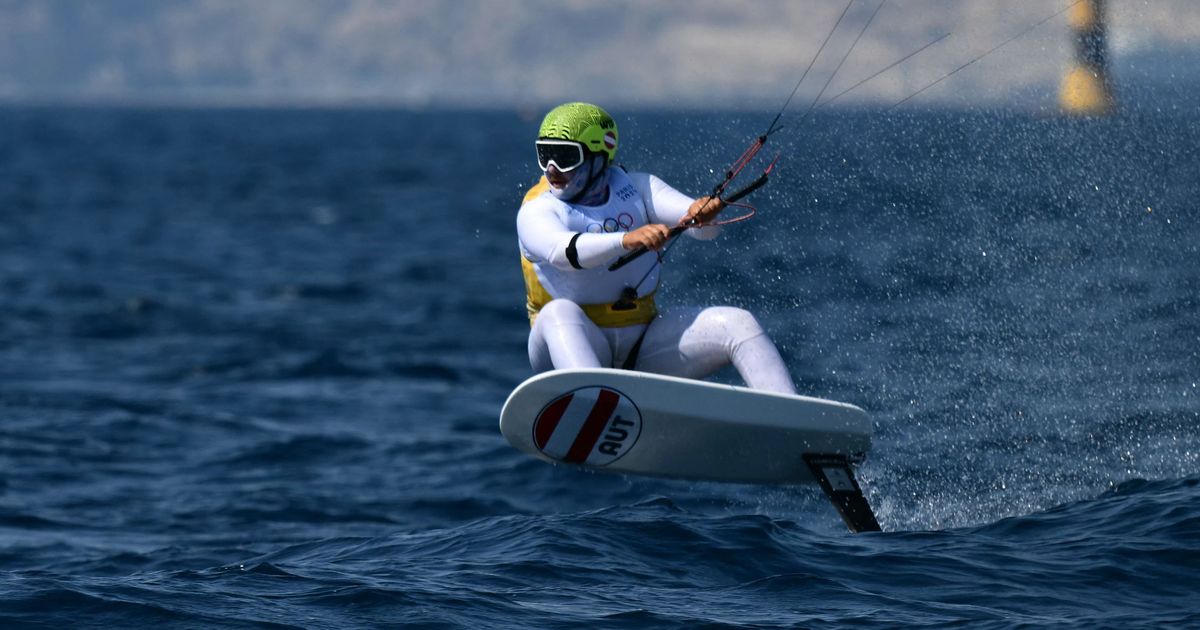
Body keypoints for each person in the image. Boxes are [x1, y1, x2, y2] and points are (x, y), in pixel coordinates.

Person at [517, 102, 797, 395]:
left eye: (565, 157)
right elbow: (563, 253)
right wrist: (627, 239)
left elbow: (707, 232)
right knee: (559, 313)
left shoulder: (638, 187)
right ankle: (597, 405)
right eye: (545, 154)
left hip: (641, 343)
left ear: (599, 156)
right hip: (563, 347)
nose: (552, 169)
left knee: (739, 324)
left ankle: (793, 419)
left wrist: (701, 213)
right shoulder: (537, 210)